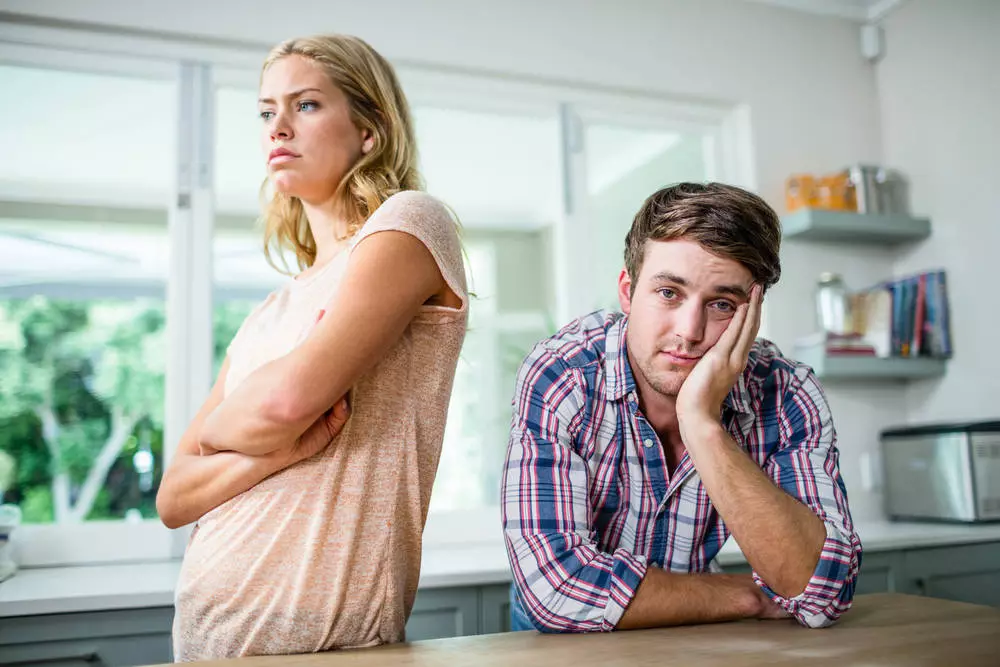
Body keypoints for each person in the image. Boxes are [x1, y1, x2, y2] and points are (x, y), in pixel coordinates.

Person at [156, 34, 468, 659]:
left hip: (328, 642)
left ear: (370, 131)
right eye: (268, 111)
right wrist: (267, 457)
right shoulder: (269, 314)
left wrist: (232, 430)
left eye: (305, 105)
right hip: (206, 638)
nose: (278, 128)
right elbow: (172, 498)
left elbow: (285, 404)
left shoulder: (409, 225)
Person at [501, 182, 861, 633]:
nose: (689, 332)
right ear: (628, 293)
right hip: (560, 643)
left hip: (687, 632)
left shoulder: (787, 392)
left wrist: (702, 423)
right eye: (669, 293)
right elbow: (556, 592)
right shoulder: (563, 373)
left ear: (753, 315)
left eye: (722, 304)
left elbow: (823, 593)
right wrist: (749, 595)